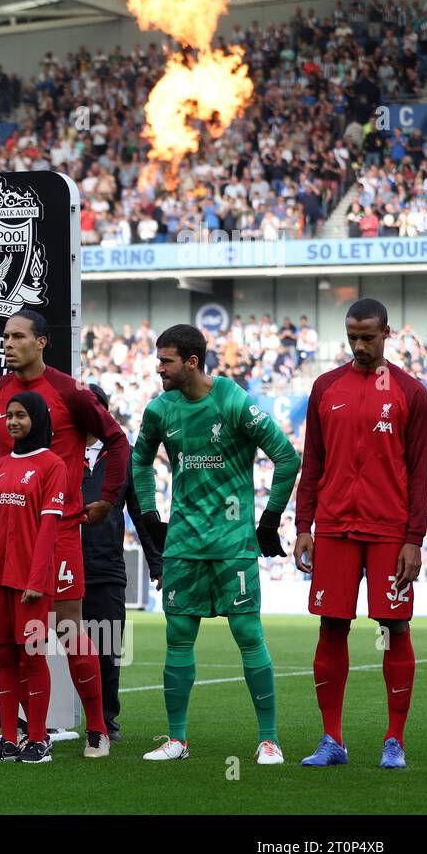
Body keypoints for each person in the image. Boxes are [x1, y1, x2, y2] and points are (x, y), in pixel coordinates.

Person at [0, 309, 129, 758]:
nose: (8, 344)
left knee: (70, 631)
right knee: (15, 640)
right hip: (10, 534)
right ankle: (19, 737)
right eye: (5, 336)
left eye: (17, 336)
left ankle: (97, 727)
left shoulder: (69, 391)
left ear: (42, 342)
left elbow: (116, 441)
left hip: (59, 534)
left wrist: (108, 497)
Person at [131, 324, 300, 764]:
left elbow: (287, 456)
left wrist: (269, 520)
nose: (158, 368)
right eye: (158, 359)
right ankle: (177, 739)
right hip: (183, 544)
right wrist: (150, 515)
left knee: (247, 633)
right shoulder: (159, 409)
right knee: (178, 635)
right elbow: (139, 460)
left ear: (191, 361)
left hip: (232, 543)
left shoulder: (232, 400)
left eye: (166, 360)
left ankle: (269, 740)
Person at [294, 299, 427, 770]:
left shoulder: (411, 393)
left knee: (394, 628)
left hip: (390, 530)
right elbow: (312, 462)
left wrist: (415, 538)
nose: (359, 345)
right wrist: (303, 526)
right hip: (333, 527)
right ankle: (332, 740)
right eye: (352, 336)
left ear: (387, 333)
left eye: (368, 336)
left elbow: (418, 472)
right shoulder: (325, 387)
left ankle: (395, 740)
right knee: (331, 625)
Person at [0, 393, 66, 764]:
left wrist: (37, 580)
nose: (12, 422)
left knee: (32, 656)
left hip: (30, 583)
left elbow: (48, 529)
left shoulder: (52, 465)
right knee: (4, 657)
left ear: (38, 419)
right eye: (9, 415)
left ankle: (39, 740)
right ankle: (9, 739)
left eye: (21, 415)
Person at [80, 384, 163, 741]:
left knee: (107, 650)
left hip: (105, 571)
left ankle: (105, 721)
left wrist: (158, 564)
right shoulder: (57, 453)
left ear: (104, 411)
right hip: (59, 571)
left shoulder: (123, 456)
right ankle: (45, 720)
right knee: (47, 647)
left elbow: (143, 515)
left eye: (93, 407)